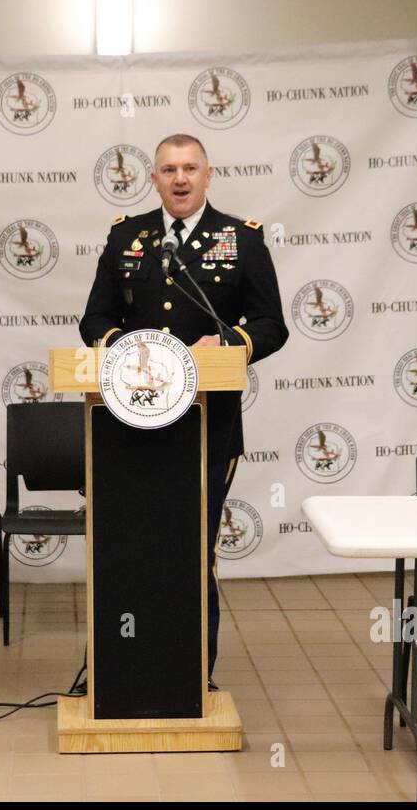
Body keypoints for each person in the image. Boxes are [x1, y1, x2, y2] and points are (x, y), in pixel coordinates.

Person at [79, 133, 288, 685]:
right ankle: (127, 668)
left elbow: (272, 325)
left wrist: (229, 343)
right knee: (134, 547)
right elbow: (94, 320)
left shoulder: (240, 240)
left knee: (192, 550)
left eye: (190, 168)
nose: (179, 178)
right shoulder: (127, 237)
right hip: (132, 424)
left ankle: (194, 672)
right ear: (154, 178)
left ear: (208, 174)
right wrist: (123, 350)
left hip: (208, 426)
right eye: (169, 169)